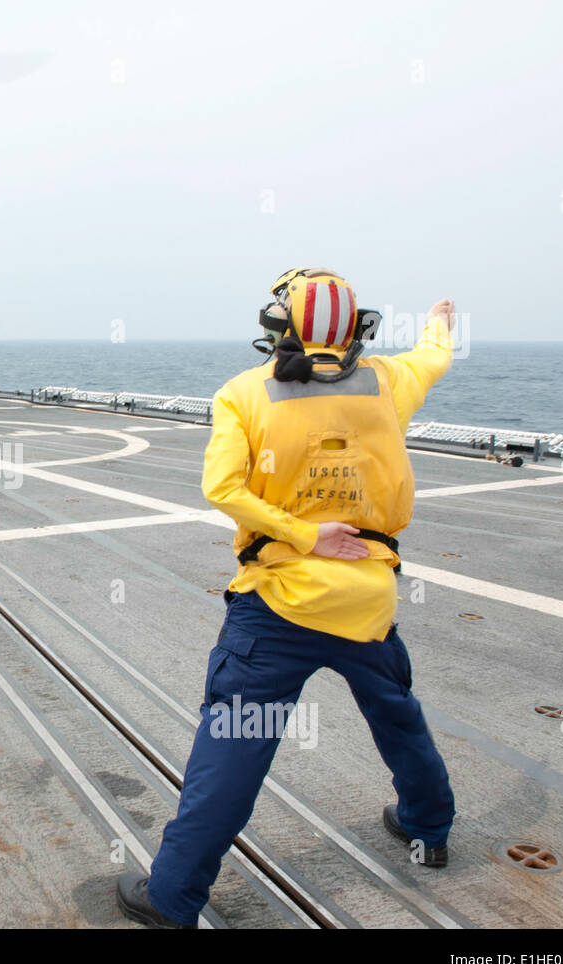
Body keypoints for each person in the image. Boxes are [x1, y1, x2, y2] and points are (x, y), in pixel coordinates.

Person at [117, 268, 457, 929]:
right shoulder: (387, 383)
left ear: (280, 327)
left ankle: (172, 897)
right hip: (367, 601)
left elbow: (223, 489)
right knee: (398, 718)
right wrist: (440, 319)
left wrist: (304, 534)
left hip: (277, 603)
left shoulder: (245, 394)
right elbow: (433, 356)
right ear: (356, 328)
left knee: (235, 745)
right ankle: (430, 828)